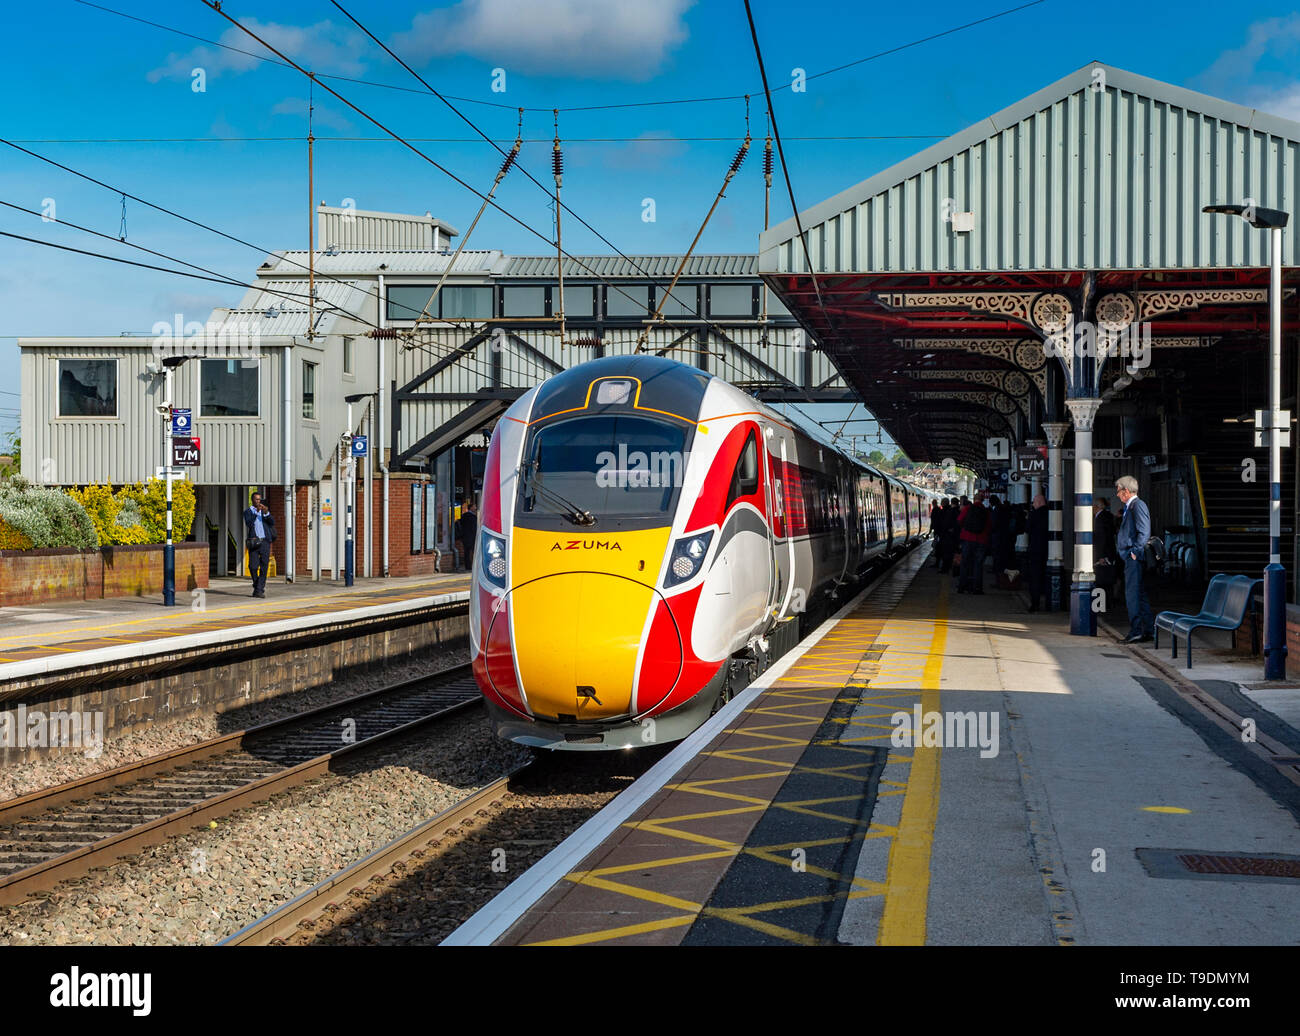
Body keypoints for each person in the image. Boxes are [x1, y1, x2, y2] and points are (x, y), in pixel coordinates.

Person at [1114, 475, 1154, 642]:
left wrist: (1134, 552)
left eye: (1118, 491)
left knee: (1132, 595)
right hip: (1132, 557)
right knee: (1140, 594)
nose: (1117, 495)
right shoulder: (1132, 507)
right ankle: (1148, 631)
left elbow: (1144, 531)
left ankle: (1136, 631)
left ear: (1126, 491)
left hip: (1134, 559)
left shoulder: (1137, 506)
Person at [956, 491, 992, 594]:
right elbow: (989, 526)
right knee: (978, 565)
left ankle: (962, 587)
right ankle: (977, 588)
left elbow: (959, 520)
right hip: (981, 541)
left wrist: (966, 528)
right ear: (983, 500)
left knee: (965, 563)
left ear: (974, 499)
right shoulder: (986, 511)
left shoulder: (967, 509)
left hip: (967, 539)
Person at [242, 492, 276, 598]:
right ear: (252, 500)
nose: (258, 501)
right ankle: (258, 586)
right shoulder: (248, 512)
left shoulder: (264, 511)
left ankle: (259, 589)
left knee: (264, 566)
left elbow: (272, 522)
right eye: (256, 499)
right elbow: (249, 523)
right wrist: (256, 513)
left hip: (265, 542)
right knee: (252, 566)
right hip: (254, 542)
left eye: (259, 499)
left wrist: (266, 513)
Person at [1092, 495, 1119, 599]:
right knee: (1108, 578)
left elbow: (1101, 537)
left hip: (1104, 554)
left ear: (1096, 507)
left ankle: (1103, 603)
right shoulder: (1108, 516)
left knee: (1101, 579)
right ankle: (1108, 600)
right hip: (1110, 552)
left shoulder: (1100, 518)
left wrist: (1101, 556)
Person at [1025, 493, 1049, 611]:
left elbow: (1027, 529)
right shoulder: (1052, 513)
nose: (1033, 504)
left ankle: (1035, 603)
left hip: (1036, 549)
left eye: (1034, 502)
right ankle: (1049, 601)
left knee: (1035, 576)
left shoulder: (1034, 514)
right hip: (1050, 549)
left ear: (1039, 502)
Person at [456, 498, 479, 572]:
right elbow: (474, 528)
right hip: (472, 536)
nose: (475, 508)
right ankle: (473, 565)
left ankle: (468, 565)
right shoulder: (473, 517)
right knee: (473, 551)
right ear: (471, 508)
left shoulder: (464, 516)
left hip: (465, 536)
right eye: (474, 506)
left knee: (467, 551)